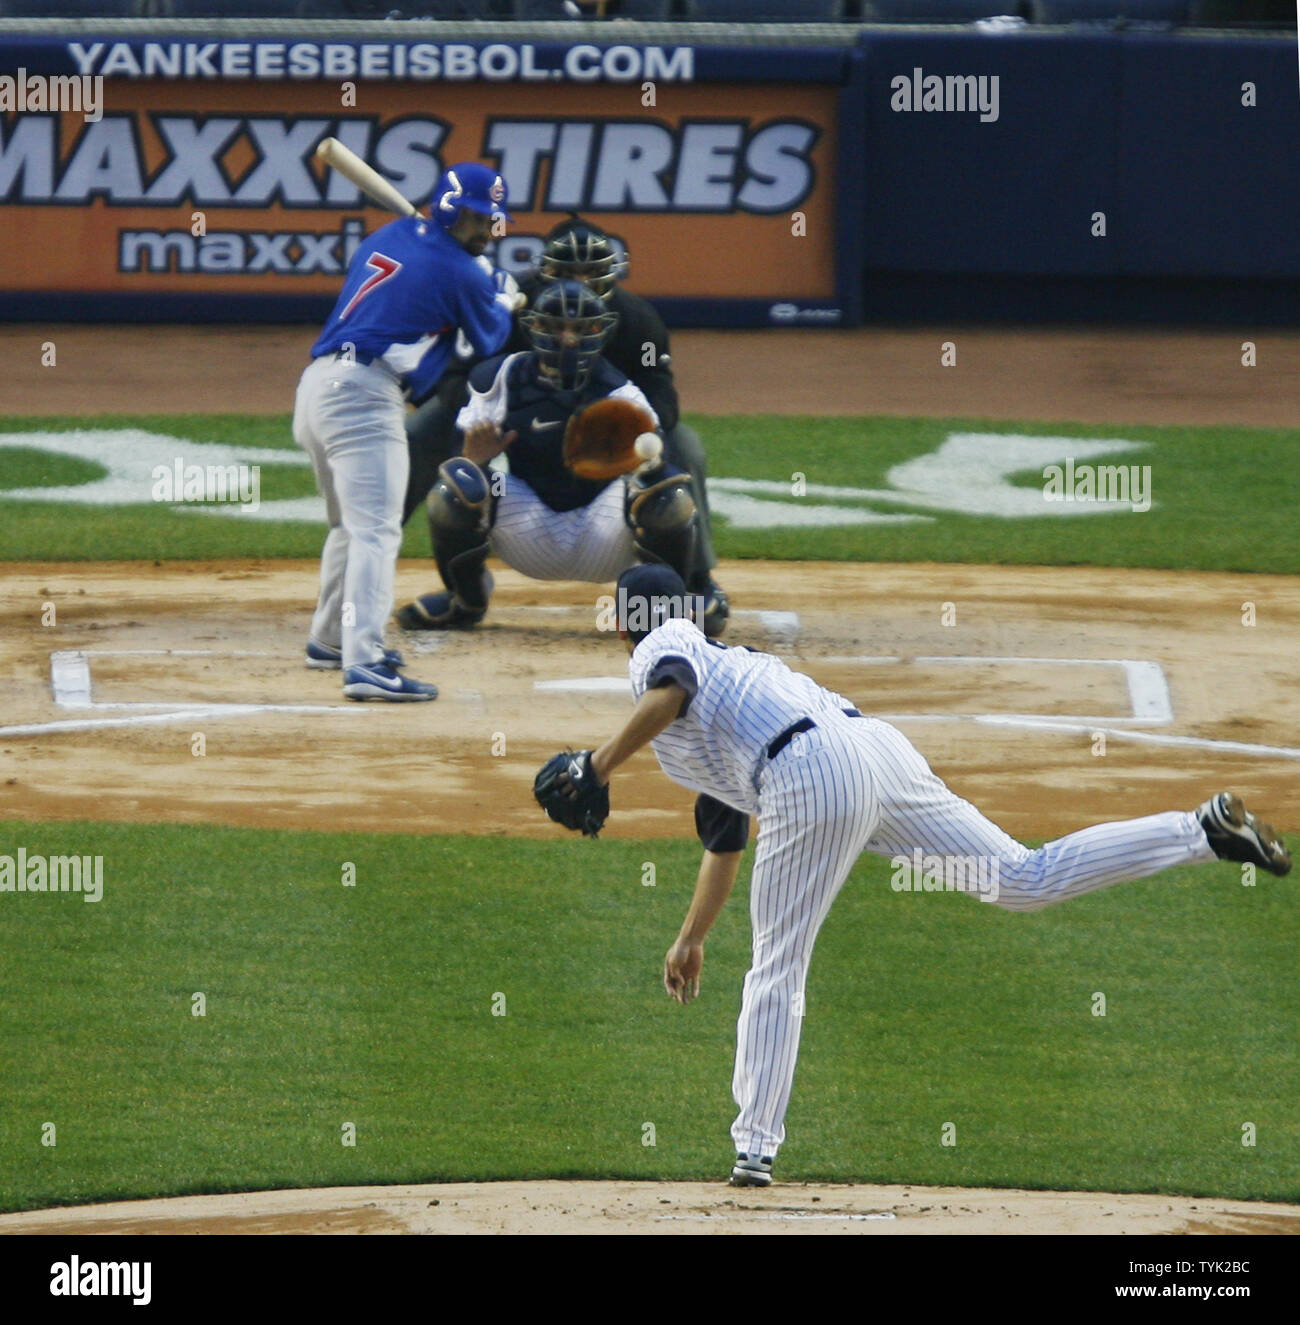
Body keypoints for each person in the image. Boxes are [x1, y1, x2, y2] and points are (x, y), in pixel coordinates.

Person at [562, 564, 1292, 1187]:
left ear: (627, 625)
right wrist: (691, 937)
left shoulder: (666, 644)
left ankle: (754, 1150)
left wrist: (594, 765)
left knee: (778, 965)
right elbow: (724, 839)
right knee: (1021, 878)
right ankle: (1199, 831)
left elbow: (669, 685)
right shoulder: (734, 685)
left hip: (810, 774)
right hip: (872, 755)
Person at [399, 215, 729, 636]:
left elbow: (662, 402)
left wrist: (609, 429)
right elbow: (456, 378)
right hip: (514, 417)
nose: (580, 283)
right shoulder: (510, 308)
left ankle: (694, 581)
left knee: (681, 454)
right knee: (429, 440)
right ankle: (389, 553)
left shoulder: (637, 323)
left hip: (616, 427)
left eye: (591, 274)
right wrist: (495, 426)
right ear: (544, 272)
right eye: (567, 272)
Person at [294, 162, 520, 700]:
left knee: (351, 528)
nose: (484, 228)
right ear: (449, 210)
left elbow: (436, 292)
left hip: (318, 389)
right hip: (363, 397)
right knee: (376, 531)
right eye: (474, 218)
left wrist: (484, 284)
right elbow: (487, 339)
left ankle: (329, 639)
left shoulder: (392, 233)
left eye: (488, 219)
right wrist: (506, 298)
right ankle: (366, 663)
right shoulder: (464, 273)